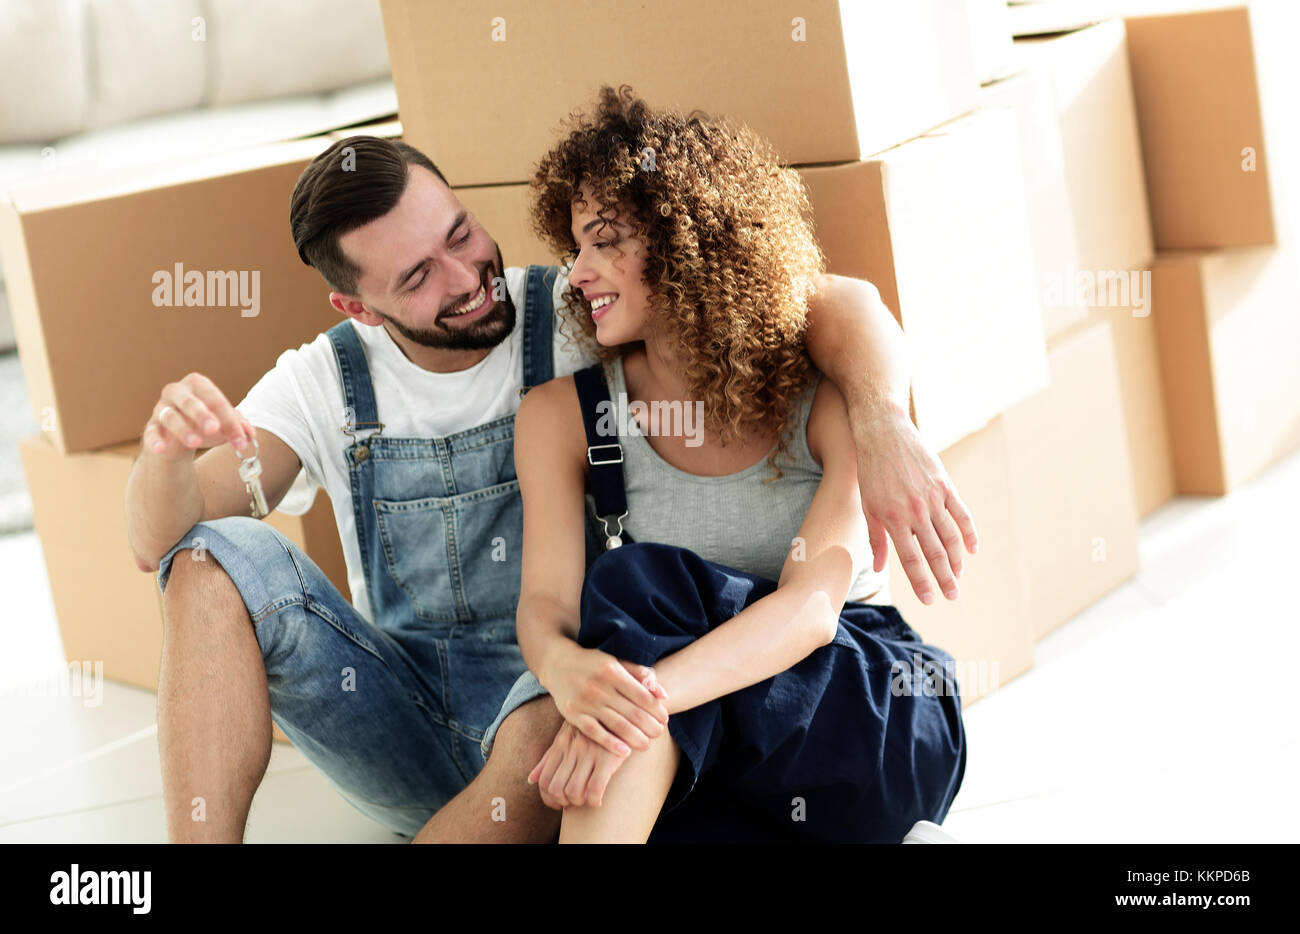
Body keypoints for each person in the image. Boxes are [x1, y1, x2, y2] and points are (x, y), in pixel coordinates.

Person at [123, 125, 975, 843]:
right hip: (418, 710)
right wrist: (161, 456)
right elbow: (159, 542)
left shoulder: (572, 314)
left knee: (618, 637)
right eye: (417, 277)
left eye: (460, 234)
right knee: (209, 556)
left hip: (560, 711)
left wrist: (883, 419)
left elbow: (827, 302)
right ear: (360, 309)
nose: (464, 278)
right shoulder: (325, 383)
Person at [492, 85, 967, 843]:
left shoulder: (826, 395)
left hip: (862, 715)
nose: (576, 274)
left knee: (640, 588)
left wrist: (636, 698)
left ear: (690, 240)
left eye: (605, 239)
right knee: (631, 693)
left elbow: (812, 611)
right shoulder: (559, 418)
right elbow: (545, 607)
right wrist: (566, 673)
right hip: (710, 744)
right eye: (574, 246)